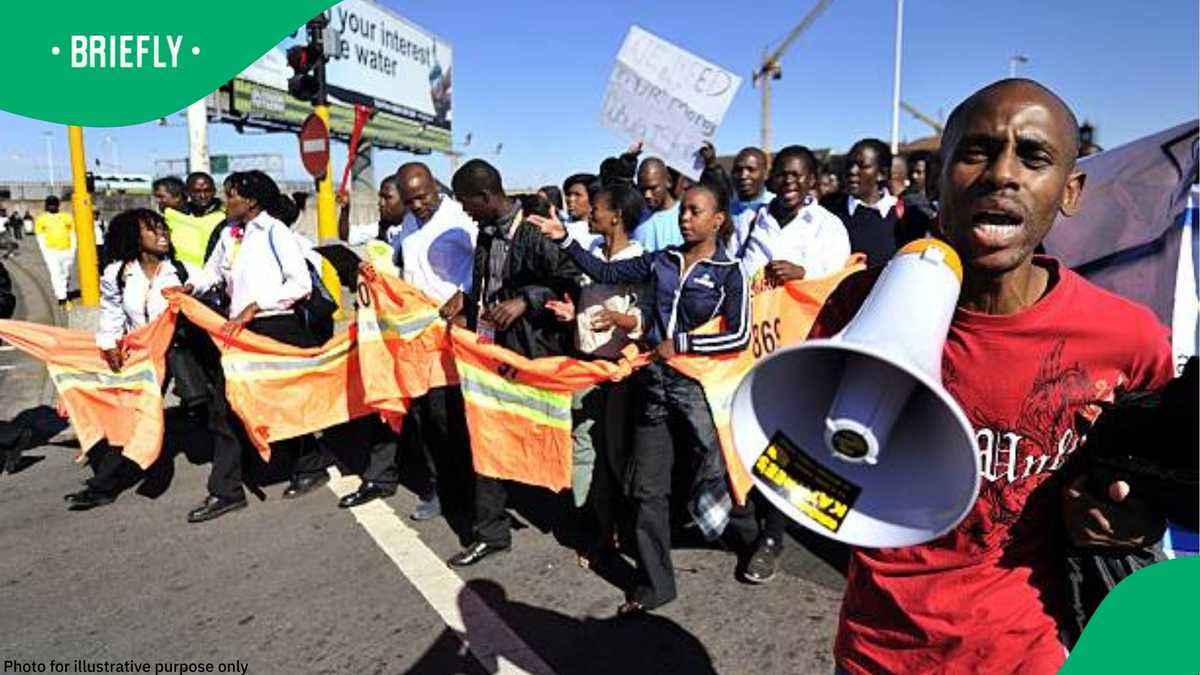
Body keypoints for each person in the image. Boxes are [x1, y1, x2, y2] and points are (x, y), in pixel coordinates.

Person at [823, 79, 1175, 674]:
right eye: (977, 151)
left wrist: (1131, 521)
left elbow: (1158, 489)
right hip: (875, 653)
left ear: (1070, 191)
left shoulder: (1128, 338)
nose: (1001, 174)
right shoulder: (860, 306)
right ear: (937, 177)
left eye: (1033, 157)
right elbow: (814, 476)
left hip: (1026, 654)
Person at [531, 181, 757, 616]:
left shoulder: (731, 272)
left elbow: (740, 333)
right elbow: (608, 273)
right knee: (647, 489)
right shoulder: (662, 261)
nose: (685, 219)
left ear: (718, 220)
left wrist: (684, 343)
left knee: (717, 472)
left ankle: (752, 540)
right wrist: (566, 242)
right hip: (654, 387)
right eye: (683, 211)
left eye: (695, 211)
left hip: (700, 393)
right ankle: (656, 583)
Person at [444, 159, 580, 567]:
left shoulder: (537, 229)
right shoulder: (484, 234)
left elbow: (573, 279)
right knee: (486, 435)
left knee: (551, 435)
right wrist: (466, 303)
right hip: (493, 351)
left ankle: (580, 522)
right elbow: (488, 286)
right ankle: (491, 532)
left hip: (537, 352)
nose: (465, 211)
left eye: (468, 203)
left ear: (486, 197)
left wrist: (527, 301)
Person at [184, 170, 331, 523]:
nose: (226, 201)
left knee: (284, 404)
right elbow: (212, 274)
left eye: (232, 195)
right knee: (227, 408)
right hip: (240, 333)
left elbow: (299, 285)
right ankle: (227, 490)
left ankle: (310, 465)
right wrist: (189, 288)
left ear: (251, 201)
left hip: (274, 327)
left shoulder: (275, 232)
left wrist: (256, 305)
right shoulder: (230, 234)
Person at [341, 162, 477, 520]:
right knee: (424, 421)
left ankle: (471, 493)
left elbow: (489, 265)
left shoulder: (462, 219)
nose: (418, 205)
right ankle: (439, 490)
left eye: (423, 197)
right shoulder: (408, 225)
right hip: (413, 336)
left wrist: (464, 295)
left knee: (450, 419)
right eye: (410, 200)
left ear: (435, 187)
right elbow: (399, 269)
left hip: (450, 335)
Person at [543, 184, 646, 567]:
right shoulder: (593, 255)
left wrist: (625, 321)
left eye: (597, 208)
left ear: (616, 215)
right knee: (584, 447)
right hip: (583, 366)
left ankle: (624, 531)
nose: (590, 213)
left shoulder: (639, 261)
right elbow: (592, 288)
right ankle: (596, 528)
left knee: (616, 456)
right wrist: (576, 317)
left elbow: (646, 317)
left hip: (619, 373)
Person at [63, 209, 192, 510]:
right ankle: (105, 484)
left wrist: (192, 292)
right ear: (134, 237)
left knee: (217, 413)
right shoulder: (117, 274)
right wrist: (108, 344)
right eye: (152, 229)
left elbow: (210, 286)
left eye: (164, 228)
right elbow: (112, 315)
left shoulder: (182, 271)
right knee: (128, 415)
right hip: (139, 357)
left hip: (179, 354)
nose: (162, 234)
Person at [821, 138, 900, 266]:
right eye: (849, 164)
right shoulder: (829, 208)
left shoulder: (903, 215)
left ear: (882, 173)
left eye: (863, 166)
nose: (852, 171)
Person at [722, 147, 775, 259]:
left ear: (766, 174)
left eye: (751, 170)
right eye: (738, 170)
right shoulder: (724, 209)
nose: (743, 175)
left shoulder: (777, 207)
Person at [633, 158, 682, 252]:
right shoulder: (634, 216)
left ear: (668, 181)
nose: (647, 195)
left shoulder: (685, 217)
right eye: (642, 189)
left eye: (653, 188)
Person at [33, 196, 75, 306]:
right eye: (50, 204)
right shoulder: (41, 219)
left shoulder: (67, 217)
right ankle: (61, 296)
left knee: (66, 273)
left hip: (67, 250)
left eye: (54, 204)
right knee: (56, 273)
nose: (52, 206)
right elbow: (40, 237)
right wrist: (45, 252)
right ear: (46, 206)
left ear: (58, 205)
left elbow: (73, 234)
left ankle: (63, 290)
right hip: (51, 252)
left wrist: (73, 249)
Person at [895, 150, 939, 247]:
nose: (914, 176)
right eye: (911, 172)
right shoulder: (903, 200)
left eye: (919, 172)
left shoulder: (941, 201)